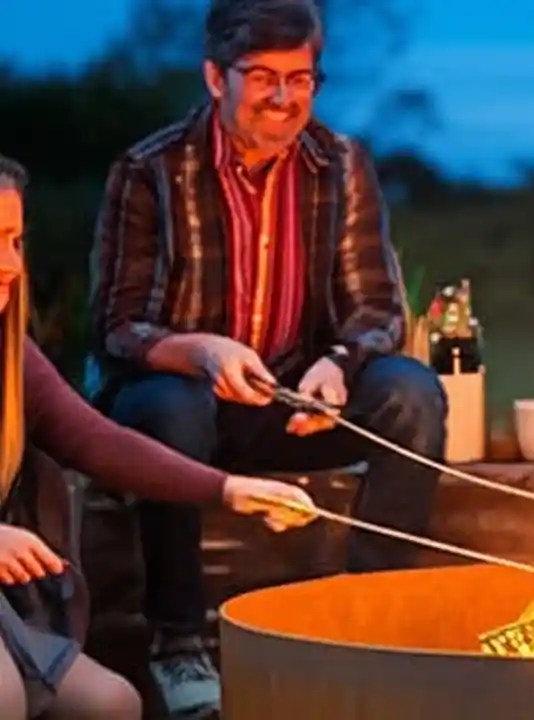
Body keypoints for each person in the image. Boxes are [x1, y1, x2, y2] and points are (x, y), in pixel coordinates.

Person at [84, 0, 447, 714]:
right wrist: (202, 352)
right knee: (169, 407)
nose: (284, 100)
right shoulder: (151, 170)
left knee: (412, 395)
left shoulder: (340, 163)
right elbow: (118, 327)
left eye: (301, 79)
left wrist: (337, 367)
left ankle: (369, 619)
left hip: (296, 402)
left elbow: (377, 308)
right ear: (216, 77)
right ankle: (179, 645)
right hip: (181, 408)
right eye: (263, 78)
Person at [0, 154, 317, 719]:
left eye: (17, 242)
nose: (10, 265)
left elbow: (95, 440)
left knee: (113, 704)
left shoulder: (9, 354)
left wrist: (229, 489)